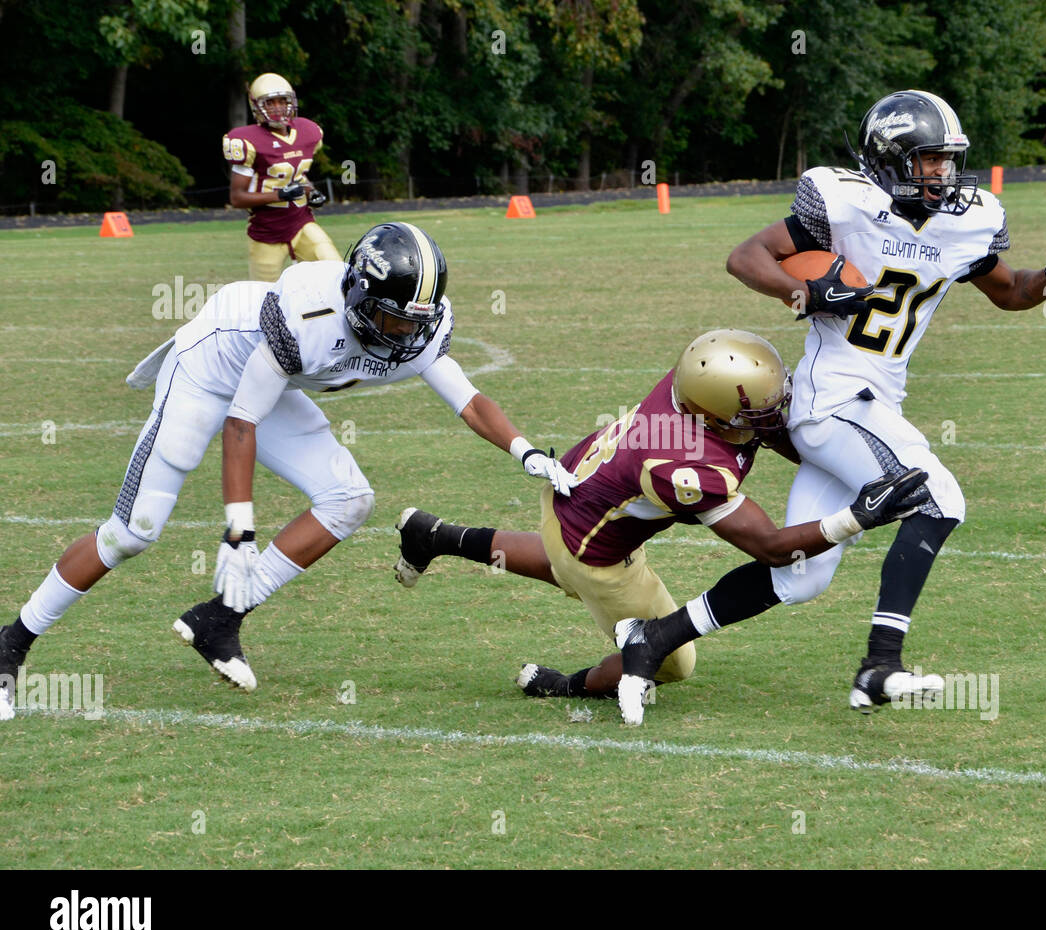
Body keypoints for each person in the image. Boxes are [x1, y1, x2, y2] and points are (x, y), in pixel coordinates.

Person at [612, 89, 1046, 723]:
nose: (944, 175)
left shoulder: (966, 221)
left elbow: (1008, 291)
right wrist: (806, 293)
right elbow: (745, 258)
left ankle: (654, 639)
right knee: (941, 497)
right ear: (892, 160)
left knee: (800, 575)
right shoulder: (845, 204)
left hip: (869, 404)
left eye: (949, 161)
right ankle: (879, 665)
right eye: (929, 161)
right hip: (834, 397)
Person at [0, 222, 575, 719]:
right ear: (357, 291)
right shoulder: (309, 312)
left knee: (348, 498)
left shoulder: (416, 328)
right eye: (390, 318)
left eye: (412, 322)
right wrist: (238, 528)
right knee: (134, 531)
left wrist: (527, 452)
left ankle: (219, 619)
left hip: (268, 386)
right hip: (210, 367)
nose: (403, 334)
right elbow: (242, 421)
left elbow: (469, 400)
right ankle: (11, 645)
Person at [392, 329, 927, 721]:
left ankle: (432, 535)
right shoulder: (686, 466)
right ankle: (565, 685)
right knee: (673, 663)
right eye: (763, 407)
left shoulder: (693, 385)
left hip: (573, 497)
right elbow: (770, 549)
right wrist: (856, 516)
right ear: (714, 416)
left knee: (564, 564)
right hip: (595, 549)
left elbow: (761, 426)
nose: (776, 410)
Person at [223, 72, 341, 281]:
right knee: (264, 299)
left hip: (301, 222)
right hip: (267, 233)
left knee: (336, 272)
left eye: (282, 101)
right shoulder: (247, 141)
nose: (277, 107)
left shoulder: (307, 131)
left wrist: (311, 191)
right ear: (258, 107)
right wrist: (280, 195)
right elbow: (237, 197)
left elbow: (299, 176)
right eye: (270, 103)